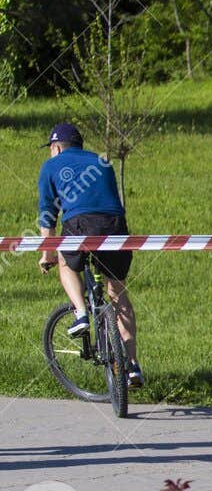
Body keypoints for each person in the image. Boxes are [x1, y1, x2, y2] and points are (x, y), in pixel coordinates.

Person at [36, 122, 142, 388]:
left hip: (81, 224)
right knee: (118, 293)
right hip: (115, 226)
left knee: (65, 261)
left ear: (56, 147)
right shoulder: (101, 162)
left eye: (50, 148)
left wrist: (47, 254)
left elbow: (47, 214)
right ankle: (132, 366)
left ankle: (82, 314)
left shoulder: (51, 166)